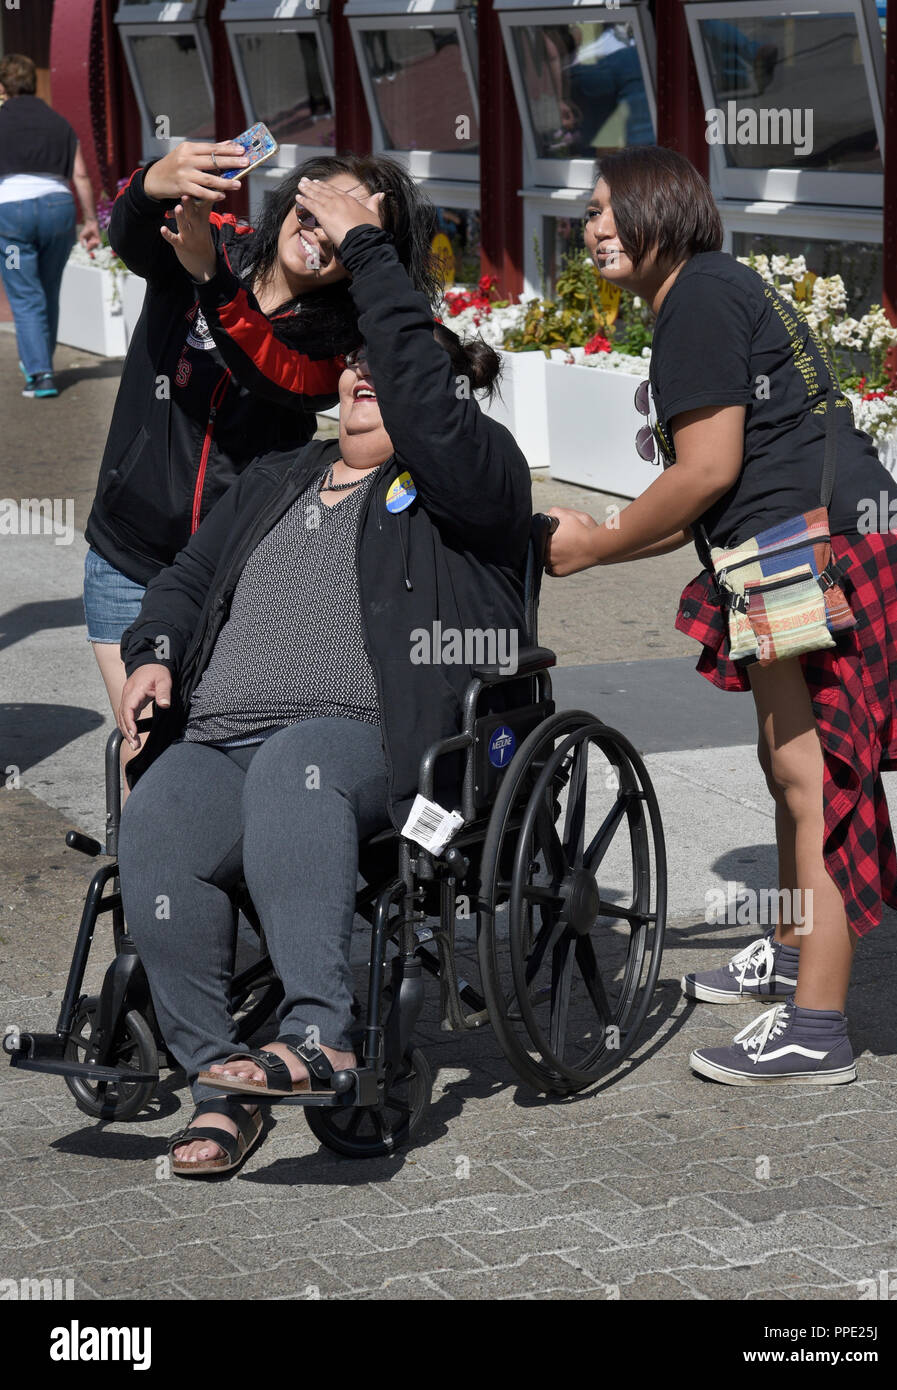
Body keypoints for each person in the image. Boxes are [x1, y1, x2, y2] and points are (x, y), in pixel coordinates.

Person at [114, 178, 532, 1175]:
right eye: (352, 369)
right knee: (162, 816)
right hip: (221, 734)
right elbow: (181, 584)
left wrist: (372, 254)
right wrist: (152, 657)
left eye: (383, 372)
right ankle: (224, 1085)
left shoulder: (468, 482)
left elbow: (426, 407)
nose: (358, 381)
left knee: (295, 768)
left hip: (365, 738)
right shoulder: (276, 477)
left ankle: (318, 1033)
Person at [545, 145, 897, 1088]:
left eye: (607, 209)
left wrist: (597, 542)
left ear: (660, 208)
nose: (592, 228)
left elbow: (707, 470)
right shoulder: (707, 290)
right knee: (784, 760)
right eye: (586, 214)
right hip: (791, 549)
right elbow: (715, 480)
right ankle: (798, 948)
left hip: (808, 552)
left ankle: (817, 1029)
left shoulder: (700, 299)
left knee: (816, 780)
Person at [82, 146, 442, 788]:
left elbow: (274, 368)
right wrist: (151, 186)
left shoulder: (340, 339)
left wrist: (209, 282)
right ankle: (145, 874)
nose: (317, 234)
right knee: (149, 750)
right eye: (313, 212)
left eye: (341, 227)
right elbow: (135, 240)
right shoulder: (216, 241)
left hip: (231, 576)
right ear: (292, 202)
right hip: (127, 553)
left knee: (205, 761)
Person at [0, 53, 100, 398]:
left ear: (2, 87)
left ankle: (40, 374)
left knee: (26, 296)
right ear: (33, 84)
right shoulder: (60, 123)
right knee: (47, 289)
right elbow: (81, 175)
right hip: (59, 208)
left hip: (11, 212)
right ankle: (39, 360)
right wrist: (90, 221)